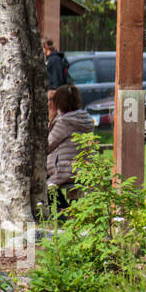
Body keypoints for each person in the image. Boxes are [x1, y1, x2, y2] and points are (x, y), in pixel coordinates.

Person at [45, 84, 95, 216]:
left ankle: (62, 211)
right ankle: (64, 210)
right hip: (82, 169)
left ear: (58, 104)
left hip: (65, 169)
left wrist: (51, 120)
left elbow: (47, 146)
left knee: (39, 182)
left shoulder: (64, 123)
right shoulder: (86, 120)